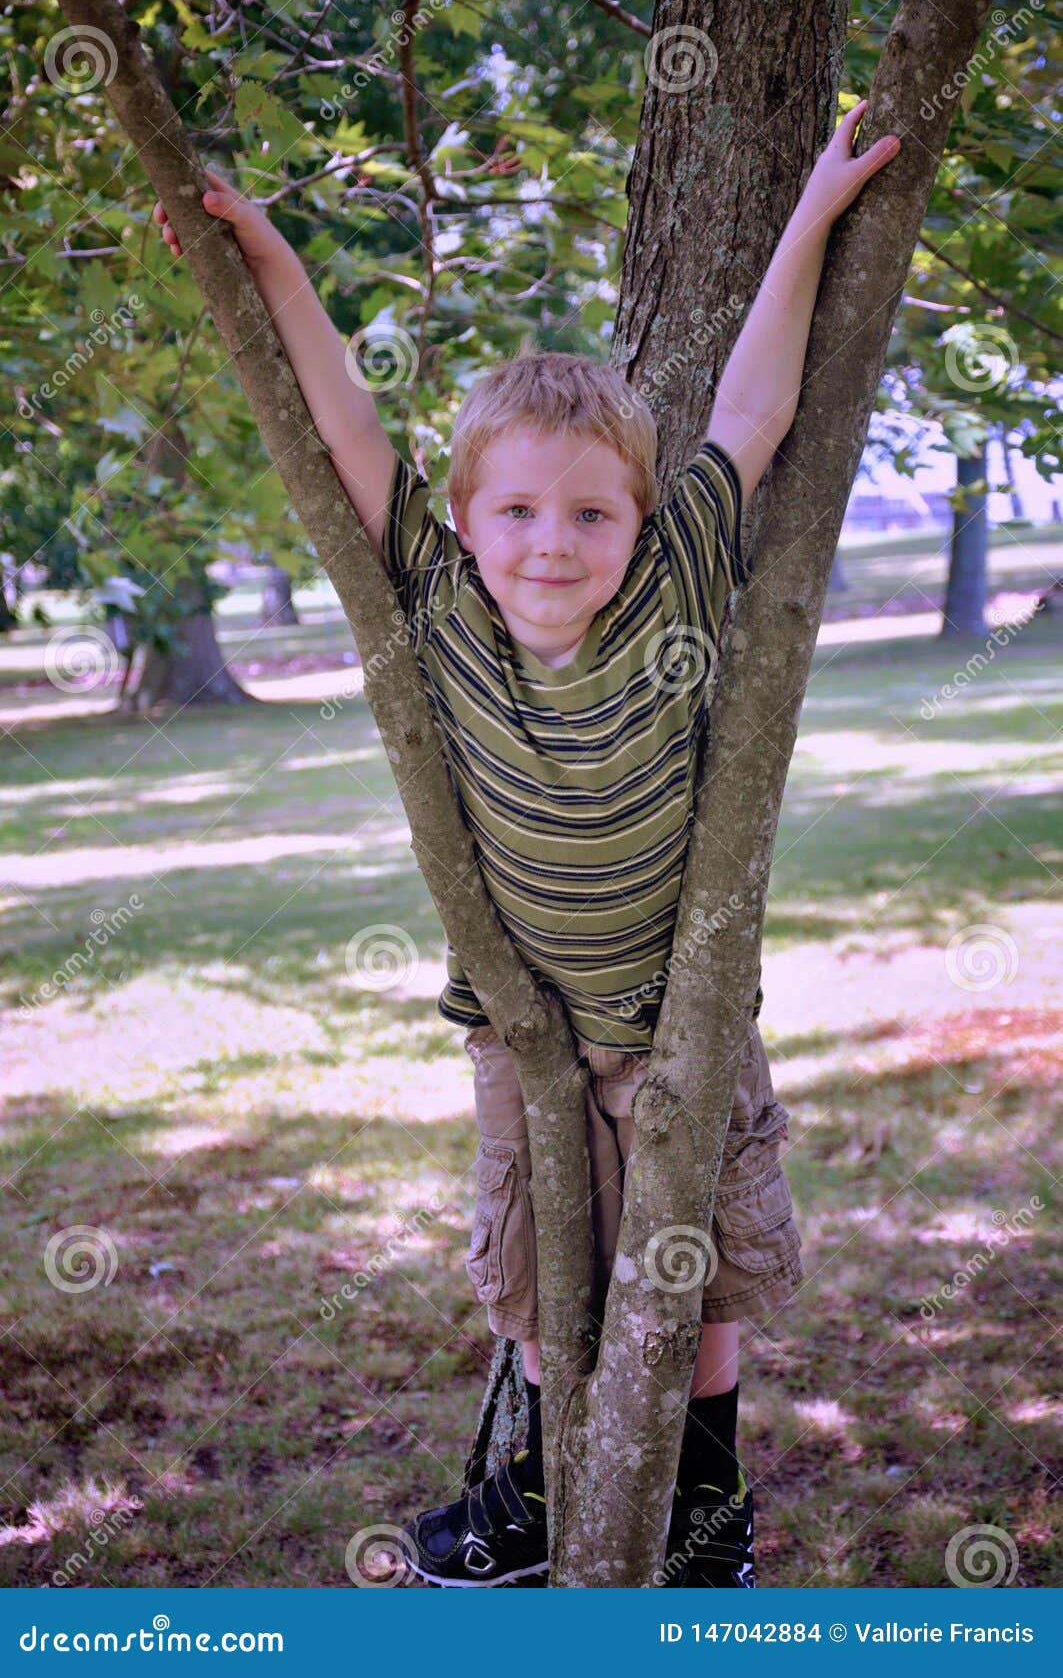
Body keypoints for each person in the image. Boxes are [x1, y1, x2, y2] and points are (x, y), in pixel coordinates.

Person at [152, 100, 899, 1588]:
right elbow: (345, 425)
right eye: (516, 511)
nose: (551, 543)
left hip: (683, 1028)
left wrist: (816, 206)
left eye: (588, 513)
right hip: (529, 1032)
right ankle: (541, 1501)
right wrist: (268, 254)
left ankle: (702, 1509)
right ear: (468, 521)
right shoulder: (437, 602)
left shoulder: (673, 583)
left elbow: (750, 411)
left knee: (702, 1272)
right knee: (539, 1280)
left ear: (638, 518)